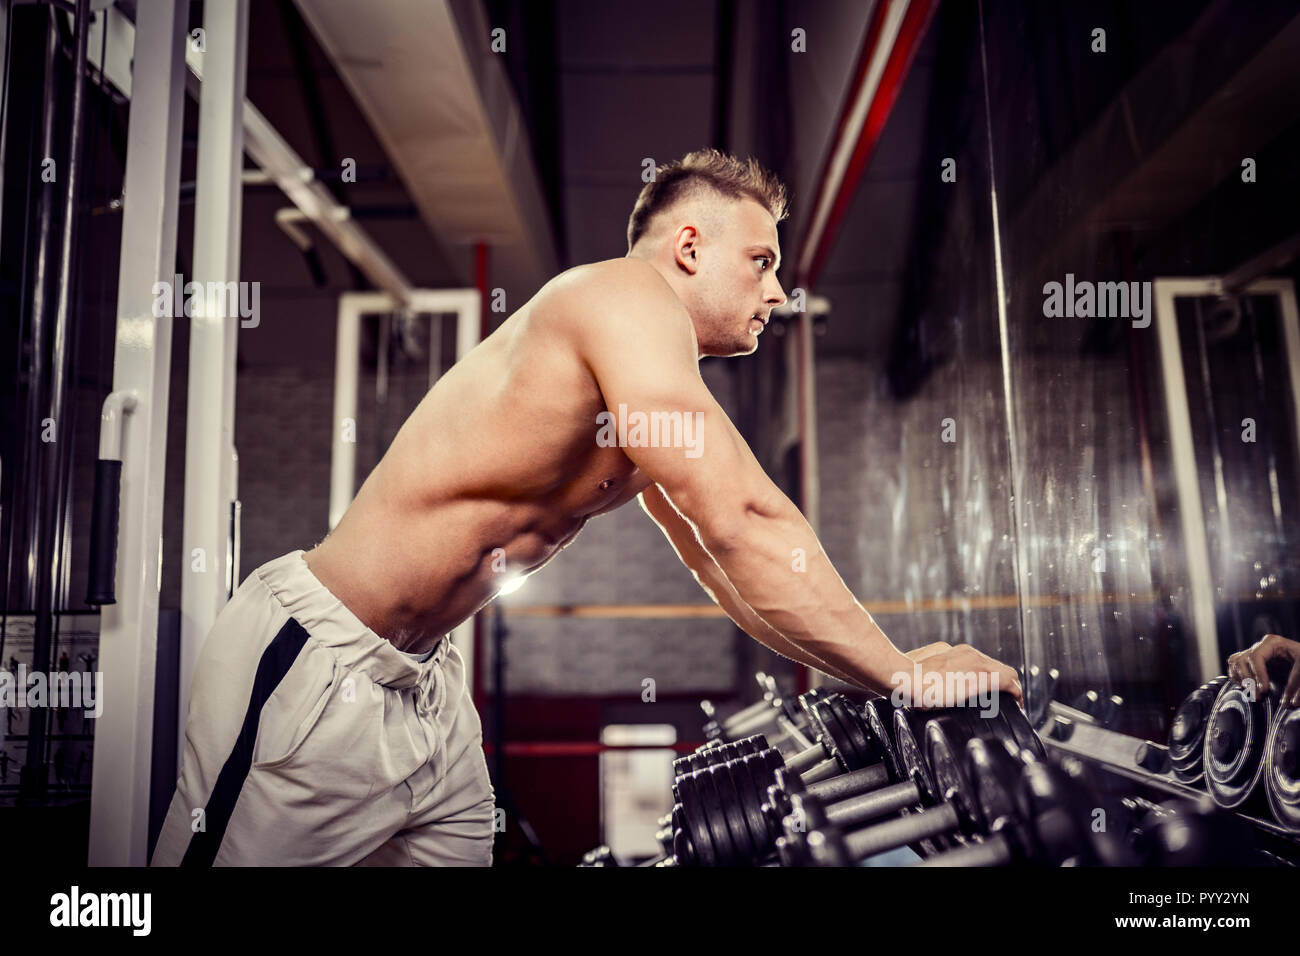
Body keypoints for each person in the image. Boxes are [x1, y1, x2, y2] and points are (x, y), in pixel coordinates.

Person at [152, 148, 1021, 867]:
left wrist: (878, 676)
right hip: (317, 664)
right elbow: (746, 519)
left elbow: (723, 564)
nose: (778, 292)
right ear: (688, 245)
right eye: (762, 261)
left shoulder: (649, 386)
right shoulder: (621, 298)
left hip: (426, 688)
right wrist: (904, 673)